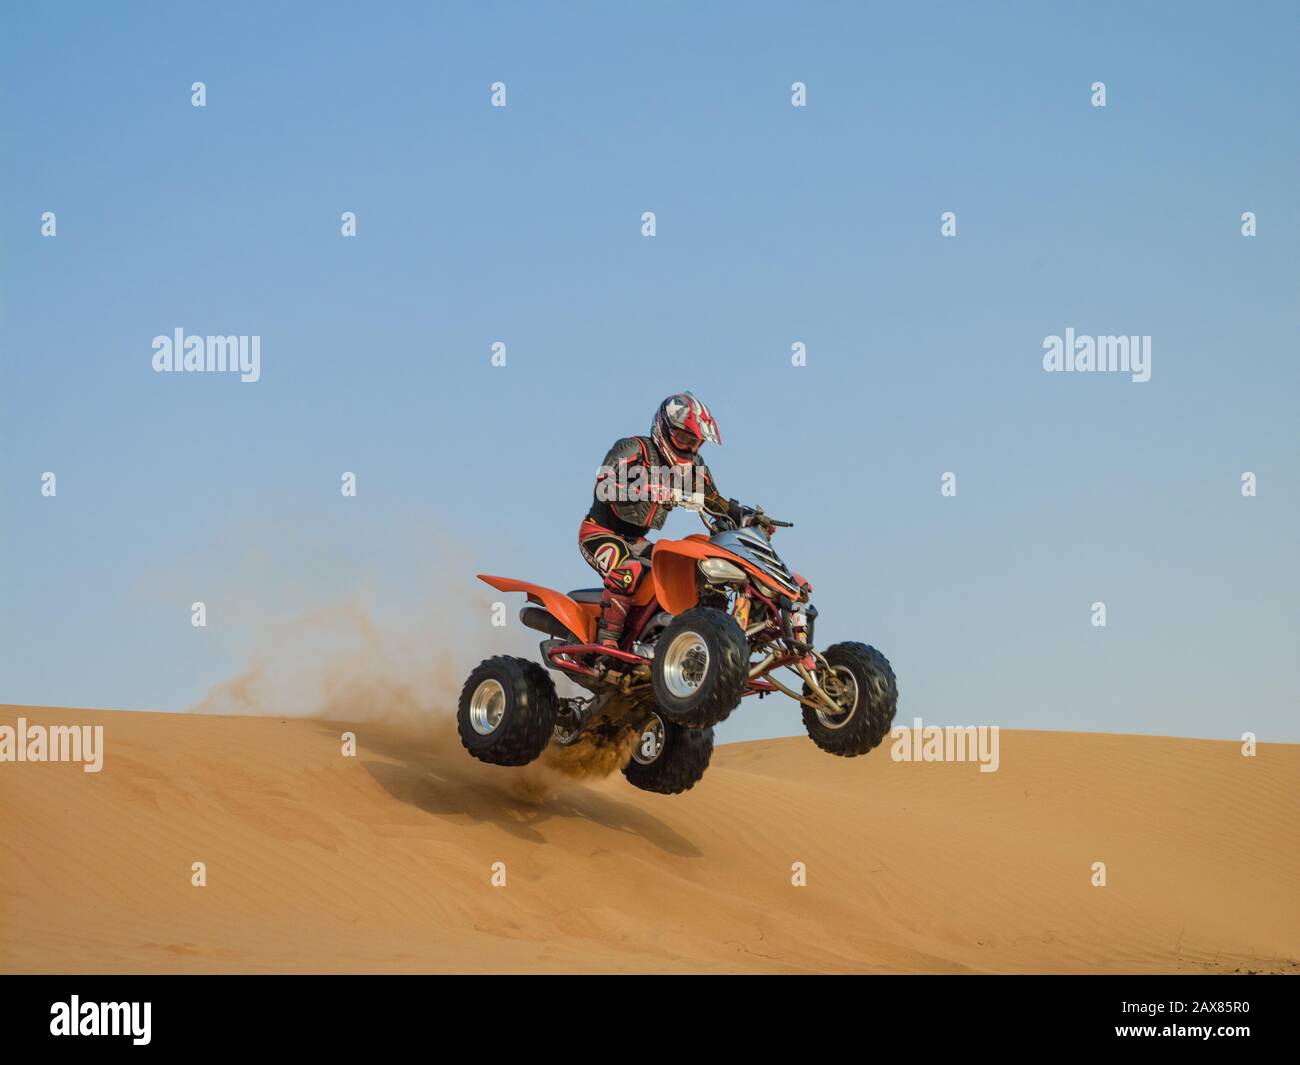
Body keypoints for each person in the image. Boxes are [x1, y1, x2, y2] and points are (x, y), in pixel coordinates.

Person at [578, 391, 745, 650]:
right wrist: (649, 488)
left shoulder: (692, 466)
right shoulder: (634, 448)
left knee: (685, 570)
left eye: (695, 443)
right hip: (600, 532)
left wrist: (744, 515)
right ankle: (607, 646)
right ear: (664, 429)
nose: (689, 447)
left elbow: (713, 501)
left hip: (639, 540)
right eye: (683, 438)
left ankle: (672, 638)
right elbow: (604, 486)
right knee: (628, 573)